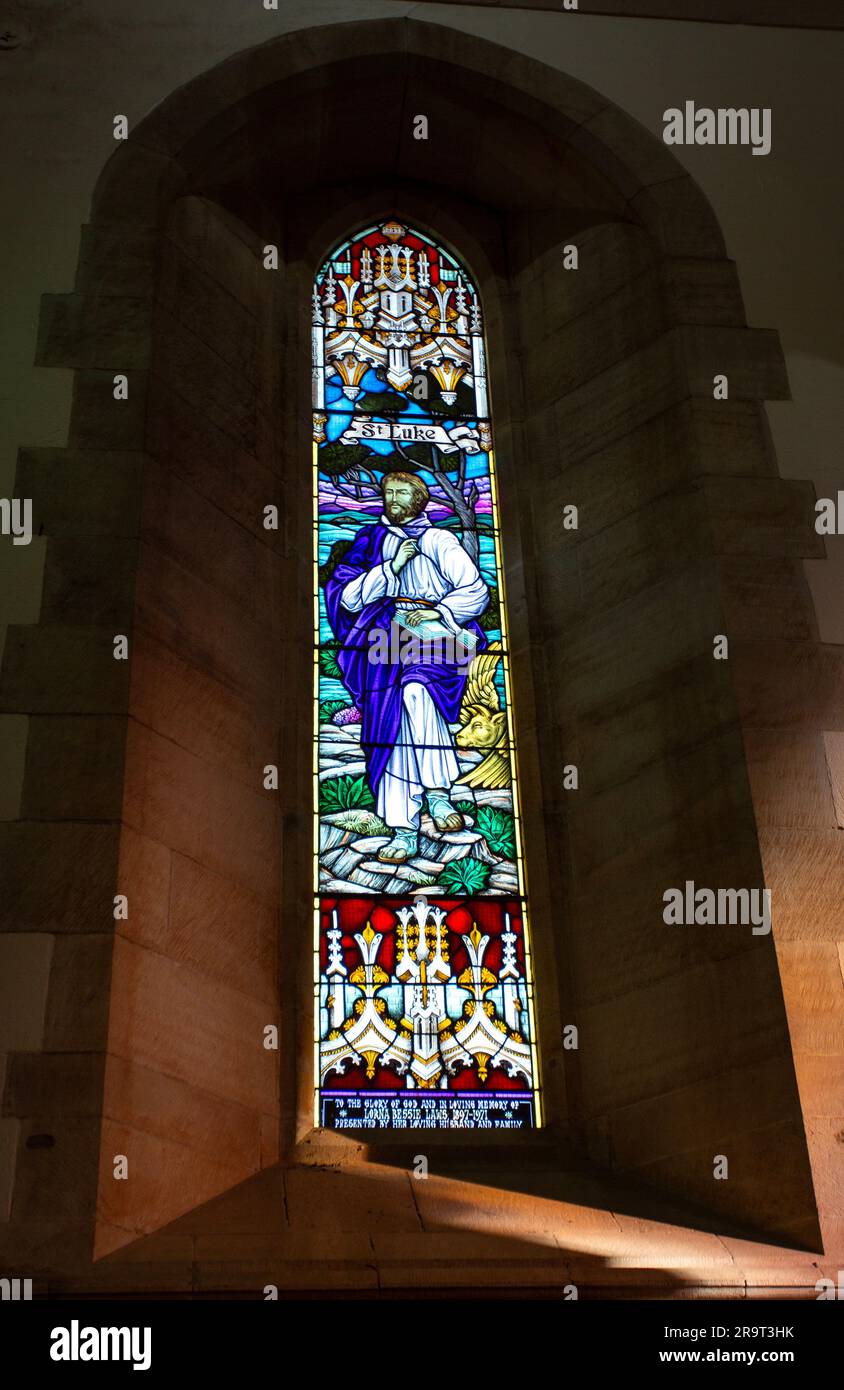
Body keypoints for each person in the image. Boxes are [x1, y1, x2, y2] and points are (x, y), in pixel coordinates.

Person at [324, 472, 489, 863]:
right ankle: (402, 827)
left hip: (438, 637)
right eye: (388, 492)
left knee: (416, 692)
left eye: (401, 493)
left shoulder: (440, 541)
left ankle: (438, 795)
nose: (392, 498)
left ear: (419, 499)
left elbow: (476, 591)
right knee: (389, 724)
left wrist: (440, 611)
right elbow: (345, 598)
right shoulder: (373, 542)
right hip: (388, 637)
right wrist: (390, 568)